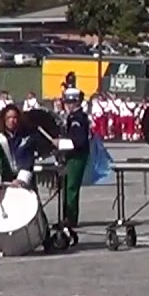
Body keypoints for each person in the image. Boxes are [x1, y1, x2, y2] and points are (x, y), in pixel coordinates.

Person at [56, 81, 90, 232]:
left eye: (71, 102)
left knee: (71, 188)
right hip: (71, 156)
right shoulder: (72, 117)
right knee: (66, 188)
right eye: (67, 102)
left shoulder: (78, 118)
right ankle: (66, 217)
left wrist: (60, 144)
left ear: (78, 102)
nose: (68, 105)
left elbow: (79, 141)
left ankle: (70, 218)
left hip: (77, 156)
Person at [0, 104, 36, 199]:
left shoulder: (26, 138)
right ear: (4, 120)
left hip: (24, 183)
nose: (12, 121)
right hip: (4, 182)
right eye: (8, 118)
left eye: (15, 117)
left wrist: (21, 179)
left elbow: (28, 159)